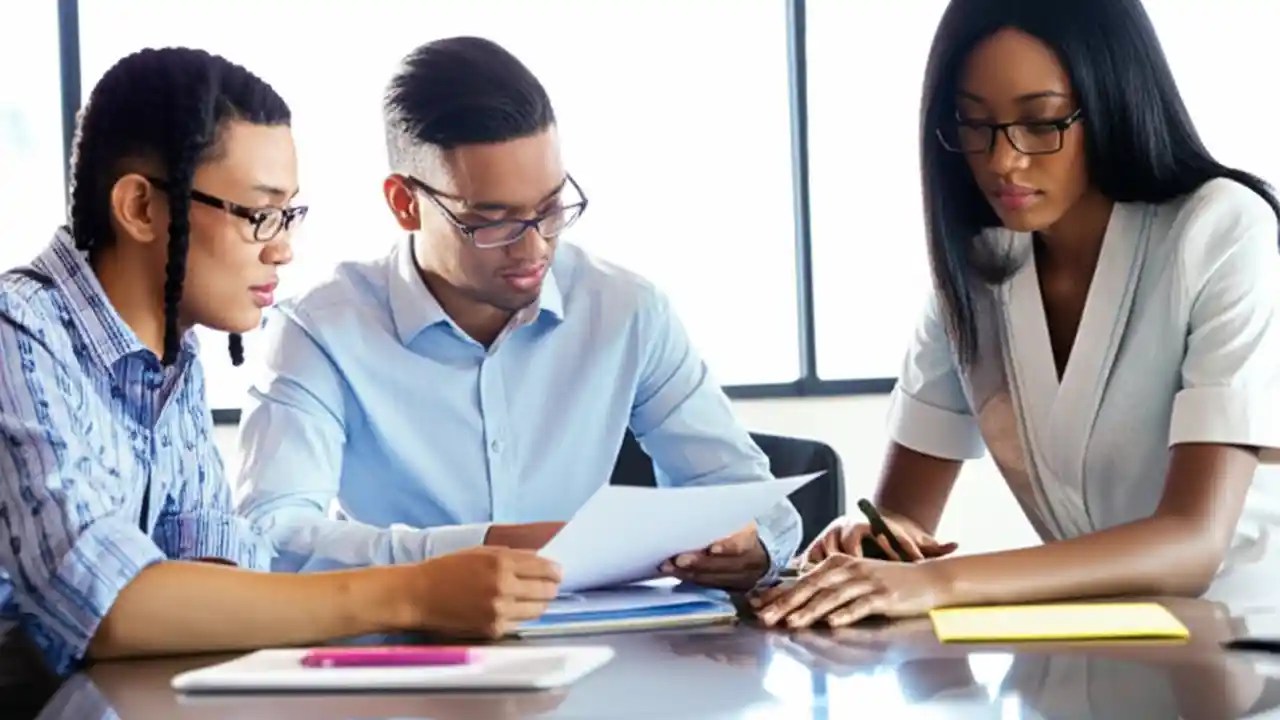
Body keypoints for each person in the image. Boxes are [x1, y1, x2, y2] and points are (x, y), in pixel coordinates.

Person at [0, 47, 560, 676]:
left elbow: (220, 576)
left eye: (287, 214)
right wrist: (416, 591)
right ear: (139, 208)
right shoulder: (17, 333)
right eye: (260, 216)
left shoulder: (169, 359)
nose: (284, 250)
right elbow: (109, 607)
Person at [753, 0, 1280, 628]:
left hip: (1243, 649)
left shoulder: (1221, 226)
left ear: (1112, 98)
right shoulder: (978, 266)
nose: (1003, 160)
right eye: (974, 124)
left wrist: (937, 580)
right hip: (1090, 649)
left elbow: (1192, 544)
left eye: (1041, 122)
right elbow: (902, 524)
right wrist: (867, 541)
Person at [233, 36, 801, 590]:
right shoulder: (318, 330)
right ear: (405, 204)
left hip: (607, 652)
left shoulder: (626, 310)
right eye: (494, 220)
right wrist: (482, 550)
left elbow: (755, 502)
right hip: (411, 654)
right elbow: (271, 539)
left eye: (552, 208)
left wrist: (752, 548)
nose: (534, 250)